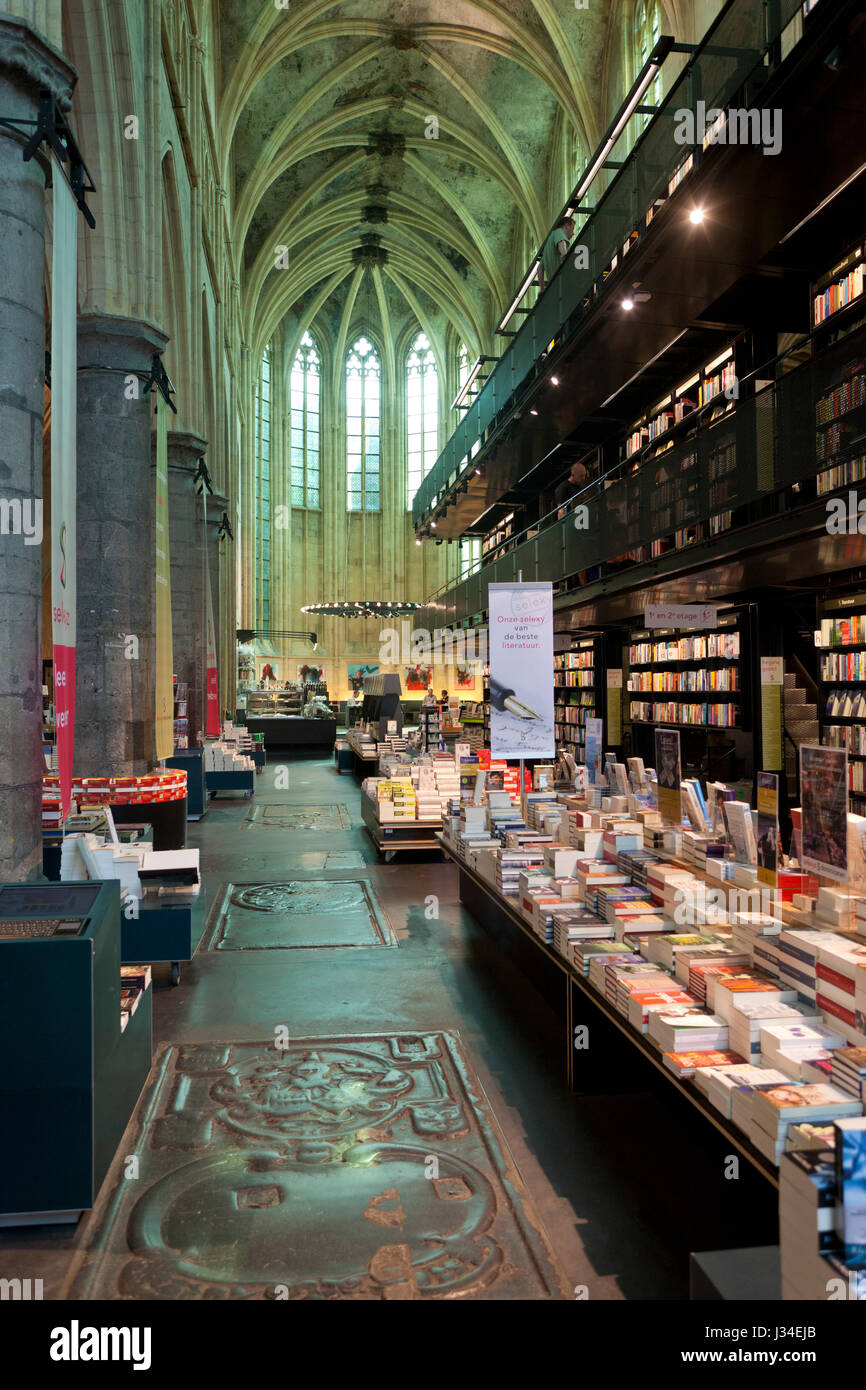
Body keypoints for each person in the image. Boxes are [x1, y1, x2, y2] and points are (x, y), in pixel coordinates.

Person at [538, 216, 575, 292]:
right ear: (566, 226)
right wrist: (564, 256)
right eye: (572, 229)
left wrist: (542, 289)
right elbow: (561, 242)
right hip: (564, 283)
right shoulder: (558, 232)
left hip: (554, 286)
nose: (573, 233)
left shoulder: (548, 245)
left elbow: (539, 268)